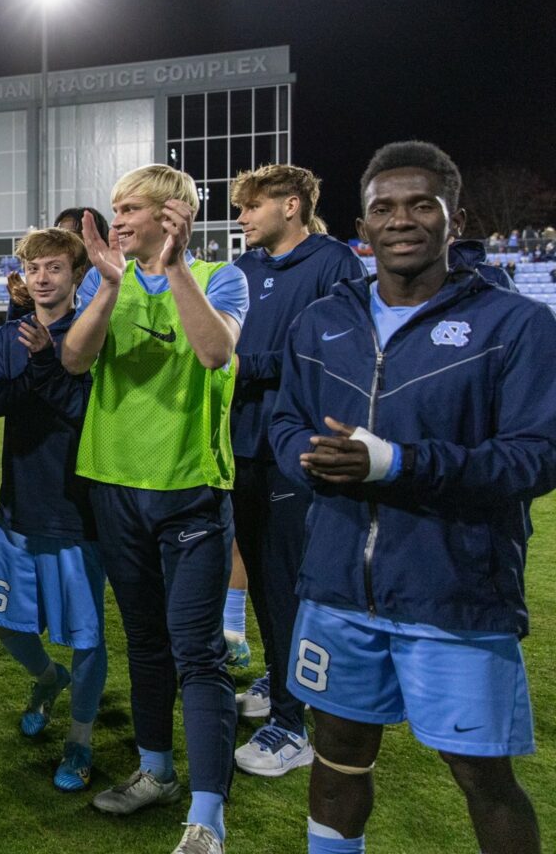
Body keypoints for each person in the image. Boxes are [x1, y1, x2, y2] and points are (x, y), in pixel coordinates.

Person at [271, 141, 556, 854]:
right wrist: (305, 457)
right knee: (337, 759)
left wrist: (396, 463)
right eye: (384, 208)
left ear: (454, 218)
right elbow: (285, 421)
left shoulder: (515, 325)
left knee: (482, 776)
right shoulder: (322, 321)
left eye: (421, 205)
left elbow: (536, 456)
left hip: (454, 593)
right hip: (336, 587)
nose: (401, 220)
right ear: (361, 227)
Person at [60, 164, 248, 854]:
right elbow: (75, 360)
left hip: (190, 488)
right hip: (114, 484)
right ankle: (157, 772)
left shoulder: (222, 278)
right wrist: (110, 285)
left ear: (173, 216)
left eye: (131, 208)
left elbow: (214, 351)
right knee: (143, 639)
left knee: (196, 650)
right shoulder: (103, 279)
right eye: (115, 208)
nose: (118, 220)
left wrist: (172, 269)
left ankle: (207, 815)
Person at [225, 164, 367, 778]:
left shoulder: (335, 263)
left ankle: (292, 726)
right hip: (241, 444)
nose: (241, 217)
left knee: (291, 583)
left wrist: (244, 365)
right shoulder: (244, 269)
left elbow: (340, 352)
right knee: (262, 576)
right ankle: (283, 679)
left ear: (290, 205)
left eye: (251, 206)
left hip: (298, 450)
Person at [0, 228, 107, 792]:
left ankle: (80, 740)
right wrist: (32, 368)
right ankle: (48, 678)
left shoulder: (95, 333)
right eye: (34, 269)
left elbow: (83, 410)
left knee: (87, 637)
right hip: (18, 504)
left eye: (55, 268)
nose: (43, 278)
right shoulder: (12, 335)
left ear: (77, 276)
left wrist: (47, 363)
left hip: (77, 510)